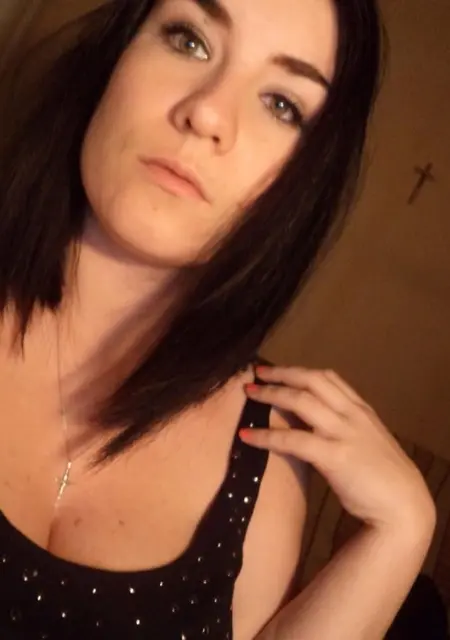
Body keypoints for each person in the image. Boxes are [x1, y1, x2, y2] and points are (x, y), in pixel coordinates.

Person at [0, 0, 436, 638]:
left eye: (281, 104)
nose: (206, 114)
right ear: (116, 55)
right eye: (189, 40)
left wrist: (401, 532)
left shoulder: (265, 463)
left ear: (304, 182)